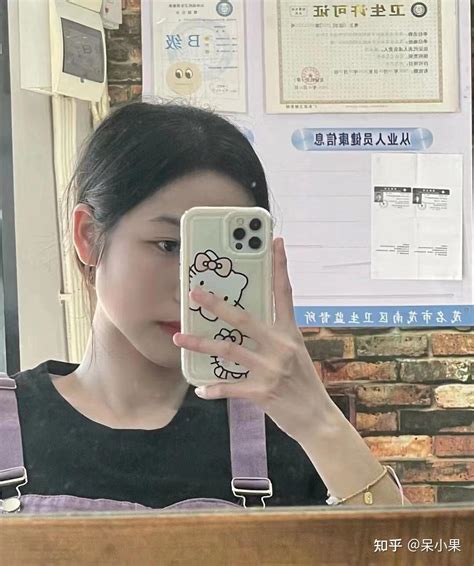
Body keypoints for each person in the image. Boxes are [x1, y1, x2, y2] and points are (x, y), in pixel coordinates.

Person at [1, 102, 407, 514]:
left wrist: (321, 423)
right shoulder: (8, 424)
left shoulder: (287, 431)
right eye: (168, 245)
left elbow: (401, 546)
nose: (193, 291)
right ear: (88, 236)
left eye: (216, 258)